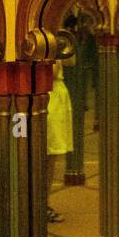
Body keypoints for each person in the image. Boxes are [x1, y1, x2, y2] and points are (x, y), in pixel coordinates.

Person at [47, 60, 72, 223]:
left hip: (54, 97)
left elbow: (71, 60)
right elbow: (52, 71)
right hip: (37, 96)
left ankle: (43, 202)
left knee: (51, 153)